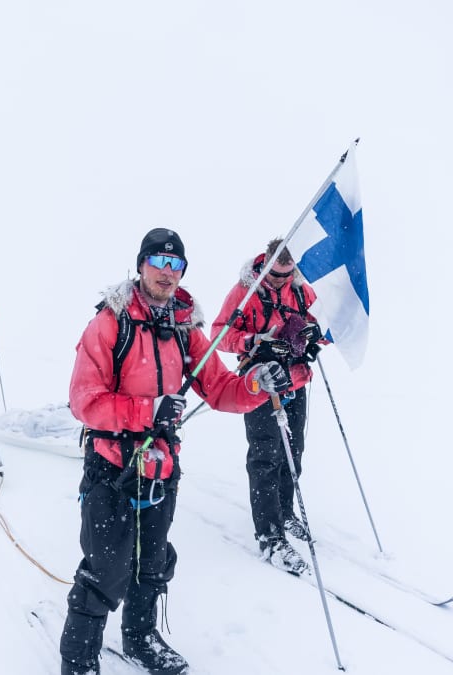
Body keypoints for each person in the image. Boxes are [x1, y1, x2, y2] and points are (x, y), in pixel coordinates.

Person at [60, 228, 290, 675]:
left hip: (161, 468)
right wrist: (149, 410)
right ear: (141, 264)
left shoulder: (185, 328)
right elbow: (84, 400)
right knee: (106, 570)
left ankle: (140, 638)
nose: (167, 274)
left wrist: (257, 383)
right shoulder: (110, 323)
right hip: (112, 466)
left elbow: (222, 389)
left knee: (153, 561)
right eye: (159, 263)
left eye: (176, 266)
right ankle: (80, 661)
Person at [210, 238, 326, 575]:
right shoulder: (244, 291)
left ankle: (284, 509)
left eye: (286, 275)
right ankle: (269, 535)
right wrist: (254, 341)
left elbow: (322, 328)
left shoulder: (302, 291)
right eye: (275, 274)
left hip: (296, 380)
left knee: (294, 450)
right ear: (265, 263)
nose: (279, 280)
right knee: (265, 454)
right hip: (258, 382)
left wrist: (312, 341)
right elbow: (220, 333)